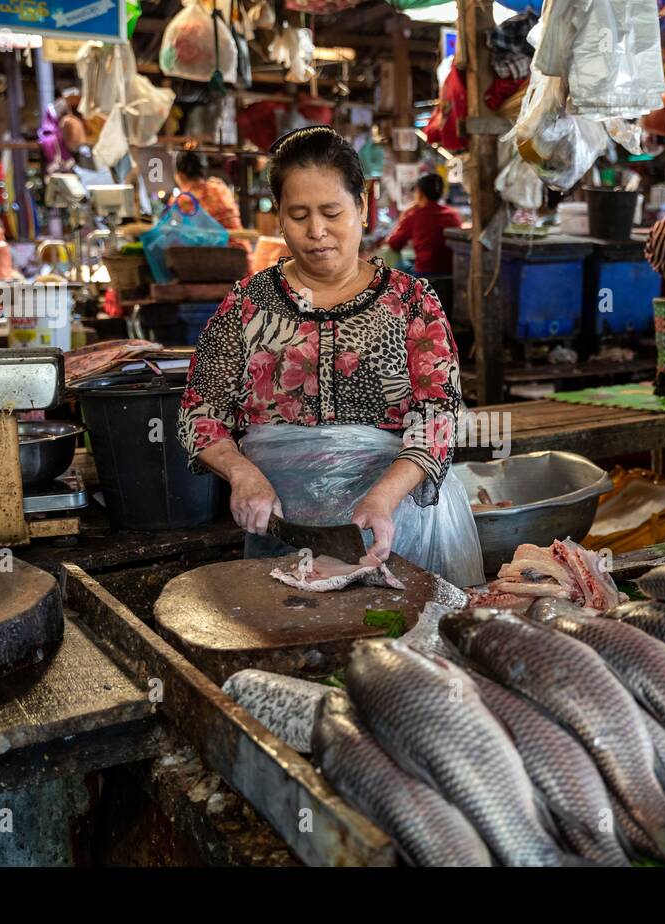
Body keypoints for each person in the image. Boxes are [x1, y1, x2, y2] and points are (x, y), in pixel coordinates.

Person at [178, 126, 482, 587]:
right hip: (279, 533)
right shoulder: (247, 303)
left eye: (331, 212)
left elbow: (439, 416)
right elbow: (199, 414)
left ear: (362, 208)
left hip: (396, 529)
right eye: (298, 215)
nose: (316, 231)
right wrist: (241, 474)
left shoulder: (411, 301)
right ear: (279, 217)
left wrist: (383, 497)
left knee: (403, 644)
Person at [384, 172, 462, 277]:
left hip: (425, 275)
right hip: (452, 274)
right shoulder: (453, 214)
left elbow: (394, 243)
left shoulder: (415, 215)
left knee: (394, 259)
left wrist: (405, 214)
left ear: (420, 193)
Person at [174, 150, 242, 230]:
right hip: (239, 241)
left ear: (181, 176)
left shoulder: (182, 200)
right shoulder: (220, 187)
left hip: (216, 242)